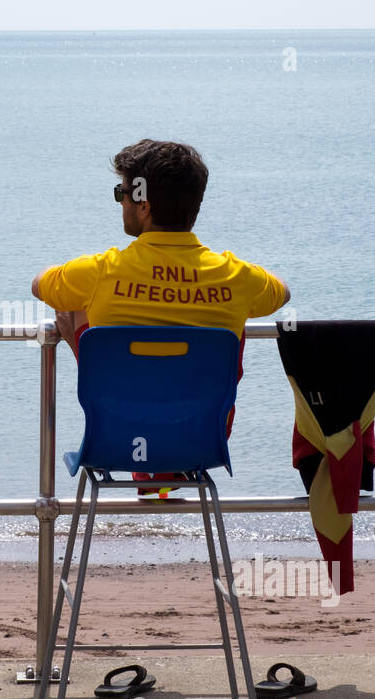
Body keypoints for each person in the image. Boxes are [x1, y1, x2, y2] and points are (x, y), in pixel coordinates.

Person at [31, 138, 290, 493]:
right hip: (200, 442)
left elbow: (39, 284)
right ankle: (168, 469)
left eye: (122, 193)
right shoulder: (237, 277)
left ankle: (145, 462)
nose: (120, 201)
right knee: (232, 324)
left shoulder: (102, 271)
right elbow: (283, 292)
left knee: (75, 306)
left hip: (115, 440)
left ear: (144, 207)